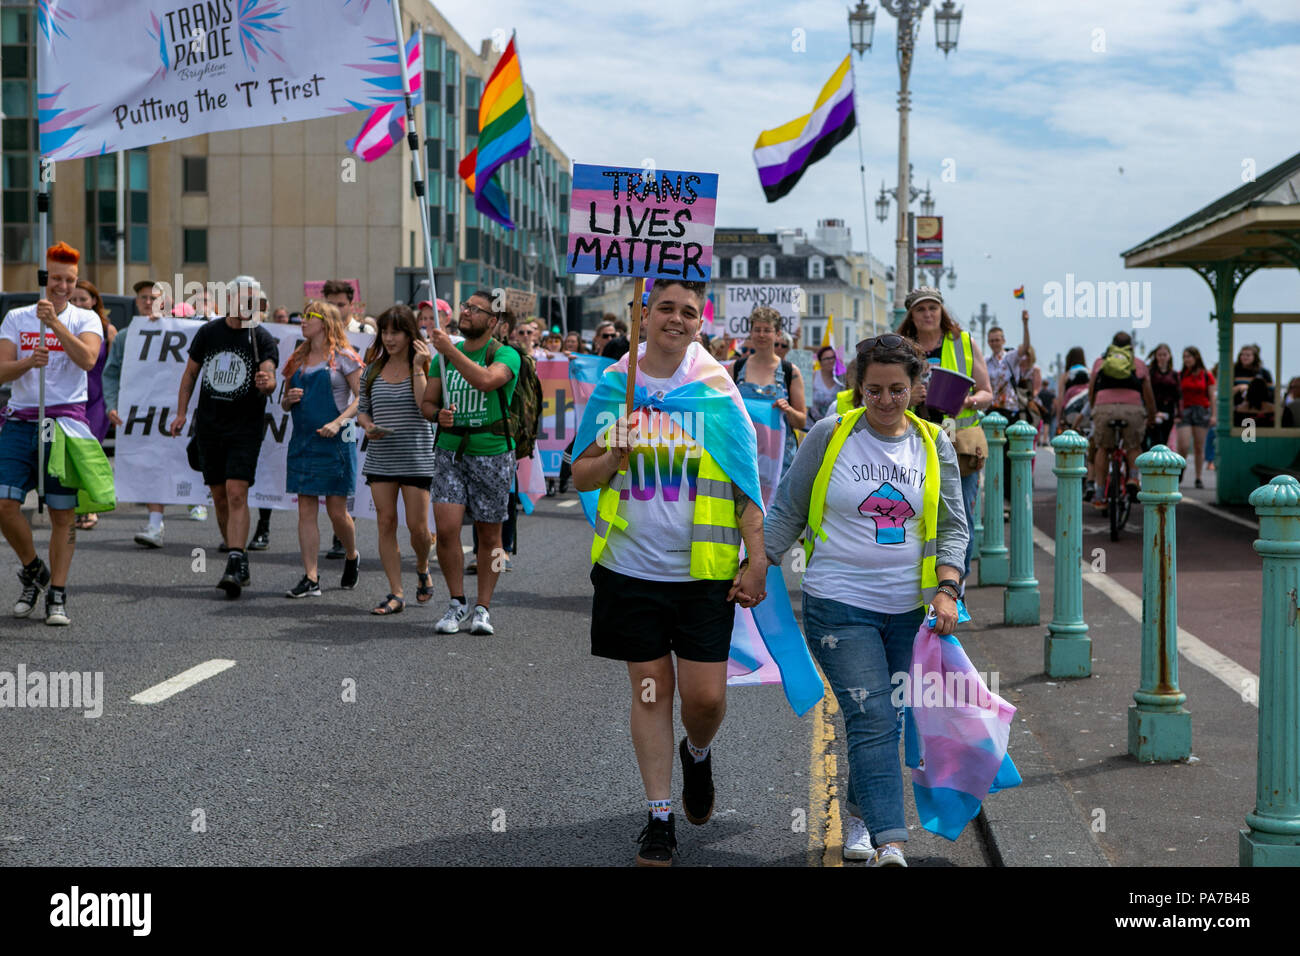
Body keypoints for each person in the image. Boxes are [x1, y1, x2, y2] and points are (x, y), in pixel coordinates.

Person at [572, 278, 767, 867]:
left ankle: (698, 753)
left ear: (699, 322)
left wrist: (756, 558)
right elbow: (580, 475)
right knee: (650, 688)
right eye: (665, 308)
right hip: (630, 569)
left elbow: (746, 483)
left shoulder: (715, 390)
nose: (676, 320)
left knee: (704, 699)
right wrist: (613, 456)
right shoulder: (615, 385)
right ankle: (659, 820)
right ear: (643, 315)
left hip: (703, 574)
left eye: (688, 312)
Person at [764, 333, 968, 867]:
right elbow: (788, 506)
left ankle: (858, 812)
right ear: (857, 385)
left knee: (886, 717)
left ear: (917, 387)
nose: (885, 401)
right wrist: (757, 565)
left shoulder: (933, 444)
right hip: (838, 604)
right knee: (872, 716)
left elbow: (952, 527)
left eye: (897, 389)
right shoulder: (830, 434)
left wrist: (948, 589)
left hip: (911, 612)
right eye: (873, 389)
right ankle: (891, 843)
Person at [0, 241, 106, 625]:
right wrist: (29, 361)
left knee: (64, 514)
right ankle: (34, 570)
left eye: (70, 279)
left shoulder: (85, 319)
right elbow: (1, 371)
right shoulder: (16, 318)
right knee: (4, 505)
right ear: (45, 277)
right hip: (20, 419)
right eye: (56, 278)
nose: (62, 286)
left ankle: (56, 593)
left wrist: (56, 324)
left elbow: (88, 359)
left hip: (65, 424)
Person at [168, 277, 278, 598]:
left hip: (245, 428)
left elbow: (270, 375)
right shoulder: (209, 333)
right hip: (209, 428)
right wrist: (181, 412)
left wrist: (266, 382)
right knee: (218, 495)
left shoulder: (262, 337)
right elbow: (190, 374)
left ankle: (233, 561)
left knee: (235, 493)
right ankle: (237, 554)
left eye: (251, 302)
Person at [421, 291, 520, 636]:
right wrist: (438, 415)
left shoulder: (505, 354)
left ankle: (483, 607)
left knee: (489, 535)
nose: (465, 312)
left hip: (492, 452)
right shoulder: (442, 358)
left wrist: (449, 351)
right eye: (464, 306)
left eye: (474, 309)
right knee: (447, 529)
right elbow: (427, 403)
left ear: (492, 322)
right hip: (450, 450)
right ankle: (456, 602)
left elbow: (486, 380)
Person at [896, 287, 992, 591]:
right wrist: (910, 396)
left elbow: (987, 394)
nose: (927, 314)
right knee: (915, 511)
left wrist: (966, 401)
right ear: (911, 314)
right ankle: (918, 581)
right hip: (913, 439)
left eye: (933, 308)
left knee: (959, 511)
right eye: (921, 309)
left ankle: (955, 587)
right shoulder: (900, 349)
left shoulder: (963, 342)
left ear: (942, 311)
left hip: (957, 439)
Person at [103, 279, 208, 545]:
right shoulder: (127, 337)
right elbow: (112, 372)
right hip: (145, 415)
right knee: (151, 465)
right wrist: (112, 405)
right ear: (136, 302)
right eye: (143, 298)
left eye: (153, 298)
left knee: (185, 459)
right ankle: (154, 525)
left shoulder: (187, 332)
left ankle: (195, 501)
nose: (148, 303)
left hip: (181, 412)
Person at [280, 301, 363, 597]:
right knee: (305, 508)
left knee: (337, 511)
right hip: (304, 440)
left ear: (325, 322)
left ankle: (351, 555)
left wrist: (338, 422)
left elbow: (360, 398)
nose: (302, 321)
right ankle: (311, 577)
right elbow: (283, 403)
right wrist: (289, 400)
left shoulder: (344, 357)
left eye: (309, 317)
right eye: (301, 316)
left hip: (336, 441)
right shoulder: (296, 359)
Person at [356, 304, 435, 615]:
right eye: (384, 332)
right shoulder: (372, 370)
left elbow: (423, 406)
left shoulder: (426, 365)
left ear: (410, 335)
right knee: (385, 522)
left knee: (418, 529)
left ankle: (422, 565)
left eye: (396, 332)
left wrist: (419, 365)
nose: (389, 338)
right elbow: (363, 409)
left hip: (417, 457)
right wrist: (367, 425)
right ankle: (396, 593)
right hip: (381, 457)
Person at [730, 307, 806, 475]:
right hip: (744, 456)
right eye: (757, 330)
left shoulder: (790, 372)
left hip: (780, 462)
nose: (761, 335)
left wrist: (788, 410)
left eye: (767, 330)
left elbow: (801, 421)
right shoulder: (736, 369)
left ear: (777, 334)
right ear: (750, 332)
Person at [68, 279, 117, 531]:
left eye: (83, 299)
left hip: (98, 399)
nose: (78, 303)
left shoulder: (108, 329)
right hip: (71, 398)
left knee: (91, 452)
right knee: (73, 453)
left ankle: (91, 510)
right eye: (74, 299)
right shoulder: (66, 326)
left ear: (94, 300)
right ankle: (77, 509)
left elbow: (117, 368)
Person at [1088, 331, 1155, 507]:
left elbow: (1092, 388)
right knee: (1133, 446)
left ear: (1112, 344)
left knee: (1103, 448)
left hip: (1104, 408)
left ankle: (1100, 495)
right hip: (1132, 409)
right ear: (1131, 346)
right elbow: (1148, 394)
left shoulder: (1100, 362)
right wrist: (1152, 416)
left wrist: (1094, 408)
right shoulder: (1138, 364)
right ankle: (1133, 478)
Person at [1176, 346, 1215, 488]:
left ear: (1196, 357)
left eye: (1189, 356)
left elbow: (1212, 396)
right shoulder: (1180, 375)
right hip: (1185, 411)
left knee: (1199, 447)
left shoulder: (1206, 375)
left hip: (1201, 410)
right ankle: (1181, 470)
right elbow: (1177, 395)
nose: (1186, 360)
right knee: (1184, 445)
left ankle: (1198, 477)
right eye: (1184, 357)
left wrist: (1214, 415)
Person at [1146, 344, 1180, 449]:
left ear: (1169, 356)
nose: (1162, 357)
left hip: (1168, 409)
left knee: (1164, 440)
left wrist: (1179, 413)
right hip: (1153, 407)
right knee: (1155, 439)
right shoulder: (1150, 372)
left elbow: (1178, 395)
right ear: (1156, 356)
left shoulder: (1174, 374)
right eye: (1159, 355)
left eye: (1164, 355)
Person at [1231, 344, 1272, 427]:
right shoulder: (1233, 371)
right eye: (1242, 355)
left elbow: (1271, 391)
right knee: (1245, 436)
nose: (1245, 357)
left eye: (1248, 355)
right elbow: (1225, 391)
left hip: (1260, 411)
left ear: (1255, 357)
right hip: (1238, 410)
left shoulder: (1263, 372)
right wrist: (1239, 387)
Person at [809, 344, 845, 424]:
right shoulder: (813, 376)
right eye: (827, 358)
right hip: (812, 424)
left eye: (833, 357)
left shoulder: (842, 379)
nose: (831, 361)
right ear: (820, 362)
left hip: (836, 425)